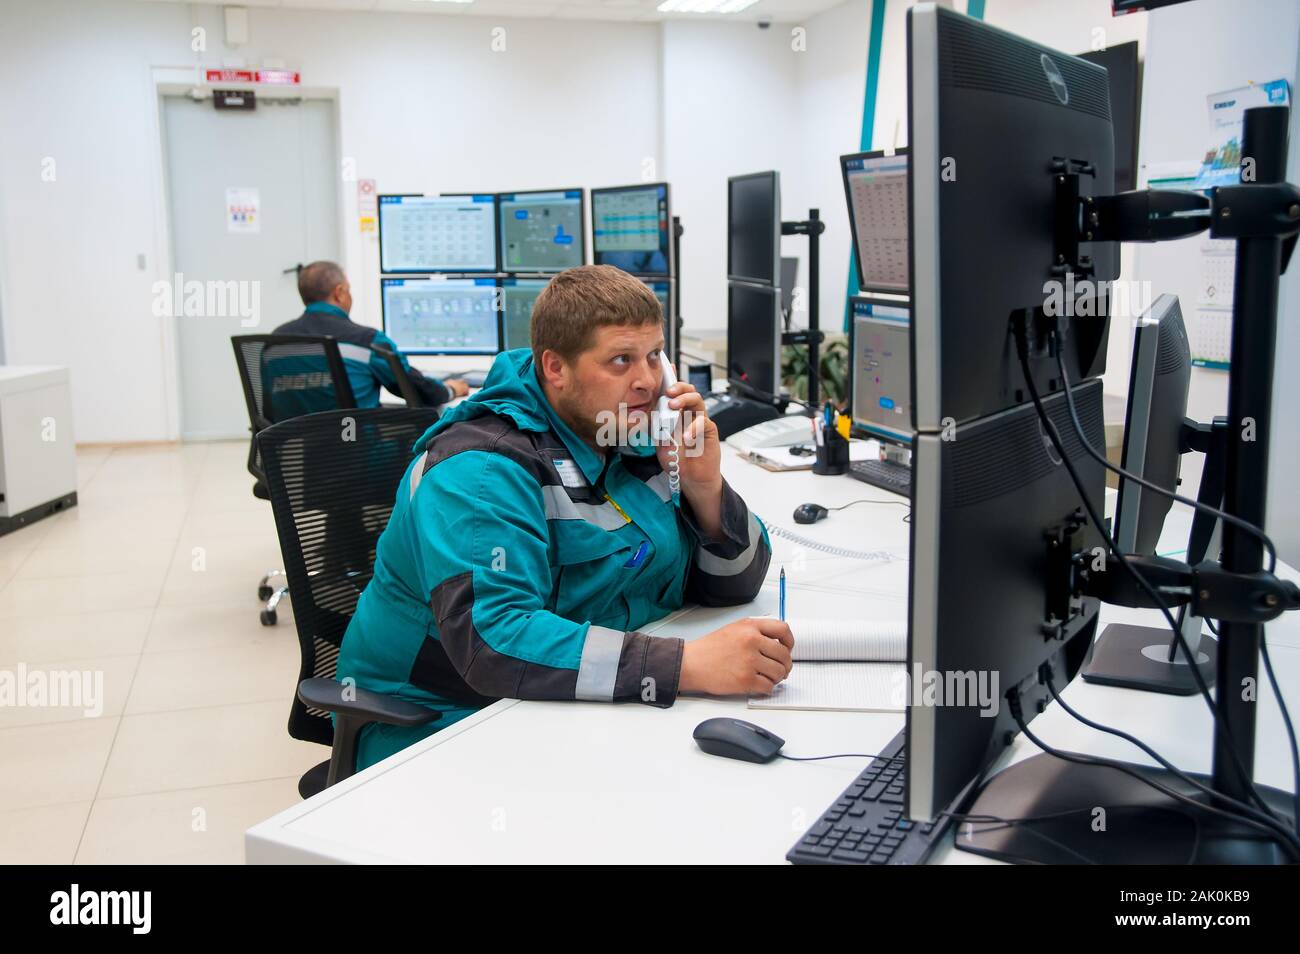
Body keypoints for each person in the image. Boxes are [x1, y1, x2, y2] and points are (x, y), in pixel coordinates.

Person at [337, 264, 792, 770]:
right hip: (440, 722)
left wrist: (705, 487)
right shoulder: (482, 470)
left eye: (654, 355)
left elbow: (735, 585)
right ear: (555, 368)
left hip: (564, 702)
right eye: (620, 360)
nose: (646, 380)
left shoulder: (628, 434)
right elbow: (494, 642)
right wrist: (687, 664)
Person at [266, 261, 468, 417]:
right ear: (339, 293)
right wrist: (450, 390)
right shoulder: (366, 340)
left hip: (295, 459)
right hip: (358, 456)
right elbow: (414, 389)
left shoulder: (275, 341)